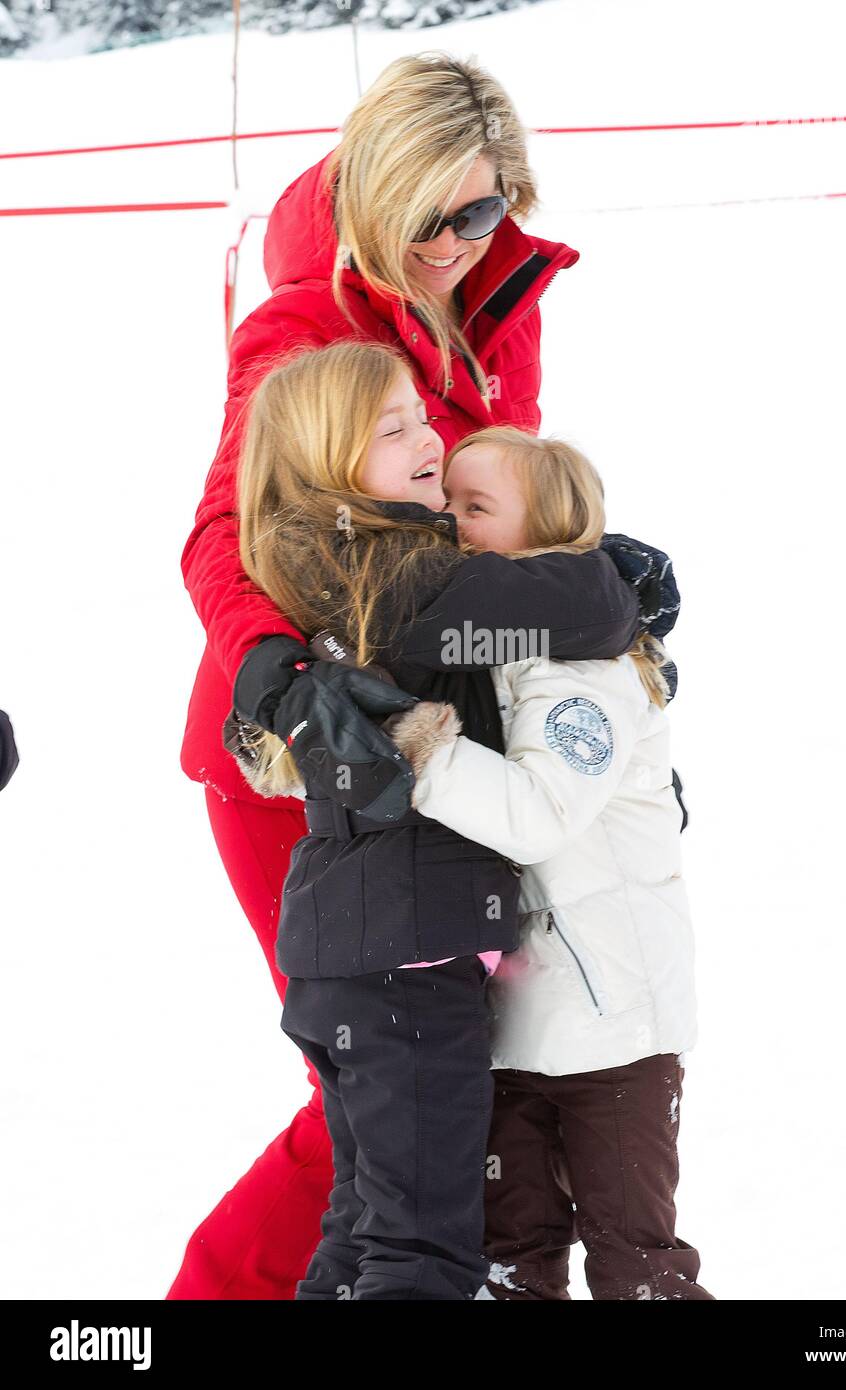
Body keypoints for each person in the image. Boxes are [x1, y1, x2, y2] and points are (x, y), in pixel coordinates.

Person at [171, 51, 587, 1299]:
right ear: (376, 193)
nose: (461, 240)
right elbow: (216, 536)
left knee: (425, 1092)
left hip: (438, 760)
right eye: (434, 216)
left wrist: (598, 582)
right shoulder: (302, 331)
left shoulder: (499, 303)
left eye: (484, 207)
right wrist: (279, 679)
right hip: (301, 768)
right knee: (371, 1091)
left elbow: (496, 516)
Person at [216, 339, 680, 1298]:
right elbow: (574, 615)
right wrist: (610, 581)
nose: (428, 439)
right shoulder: (408, 588)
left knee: (361, 1226)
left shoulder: (333, 572)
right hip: (408, 955)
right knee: (425, 1247)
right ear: (334, 463)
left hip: (344, 949)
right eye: (395, 430)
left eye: (423, 416)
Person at [384, 426, 715, 1300]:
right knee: (511, 1264)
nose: (449, 522)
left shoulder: (585, 671)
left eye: (476, 507)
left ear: (548, 540)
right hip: (515, 1024)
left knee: (638, 1265)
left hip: (613, 1025)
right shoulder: (493, 657)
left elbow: (535, 814)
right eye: (446, 501)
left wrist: (414, 749)